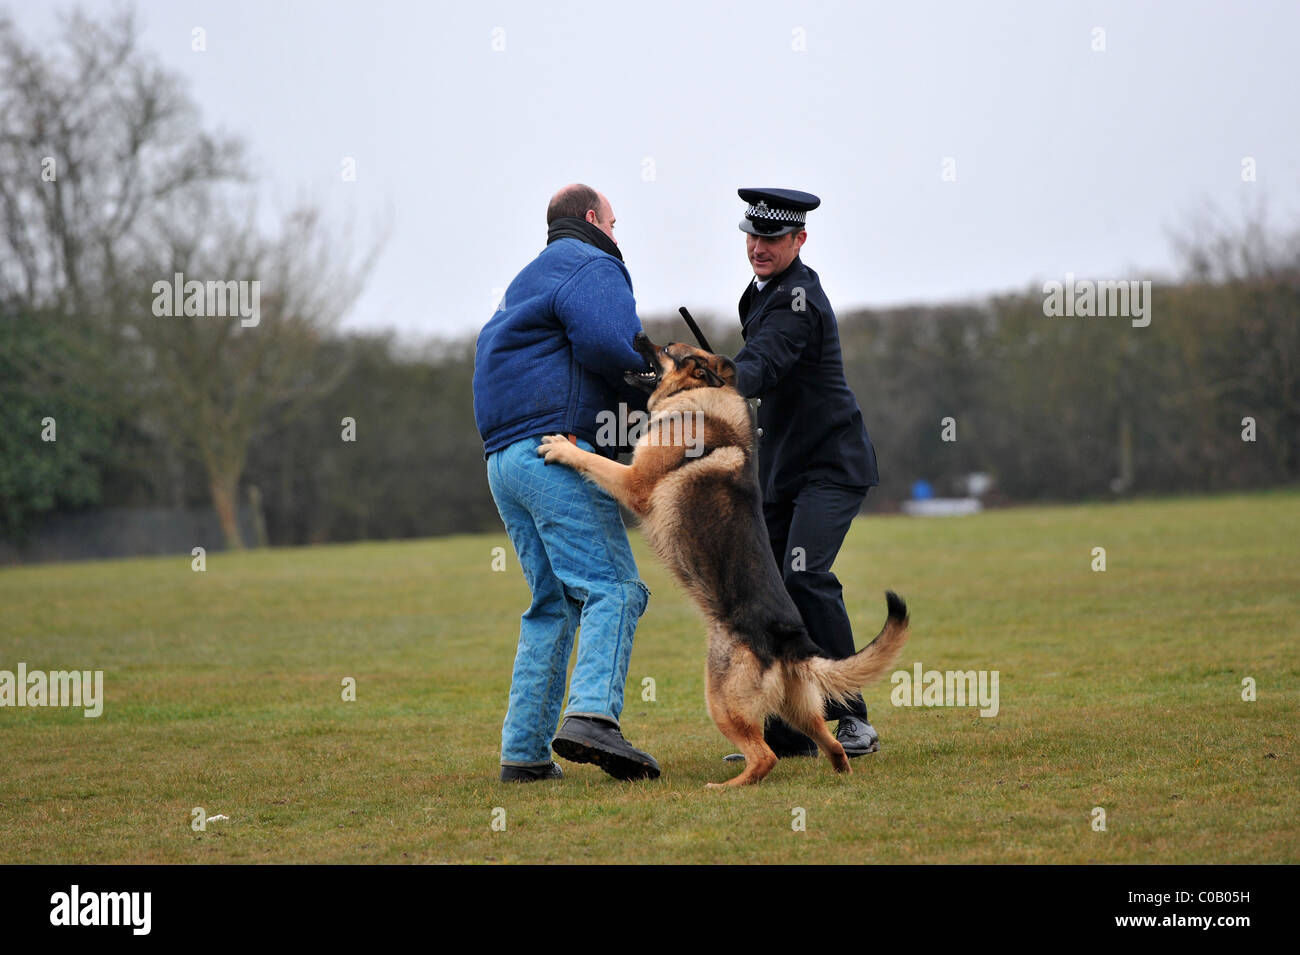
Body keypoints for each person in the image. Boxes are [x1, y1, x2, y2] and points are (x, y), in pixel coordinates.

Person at [472, 183, 659, 783]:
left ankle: (524, 755)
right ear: (591, 220)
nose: (617, 230)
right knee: (615, 589)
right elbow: (610, 344)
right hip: (558, 453)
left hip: (505, 460)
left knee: (552, 604)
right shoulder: (592, 264)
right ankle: (593, 720)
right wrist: (663, 384)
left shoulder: (525, 281)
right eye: (613, 219)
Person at [728, 187, 883, 759]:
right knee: (768, 589)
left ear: (799, 240)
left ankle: (851, 718)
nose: (757, 247)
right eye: (752, 235)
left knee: (805, 578)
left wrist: (712, 379)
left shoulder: (799, 302)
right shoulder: (760, 293)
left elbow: (763, 363)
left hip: (832, 466)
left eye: (771, 238)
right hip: (784, 471)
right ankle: (792, 728)